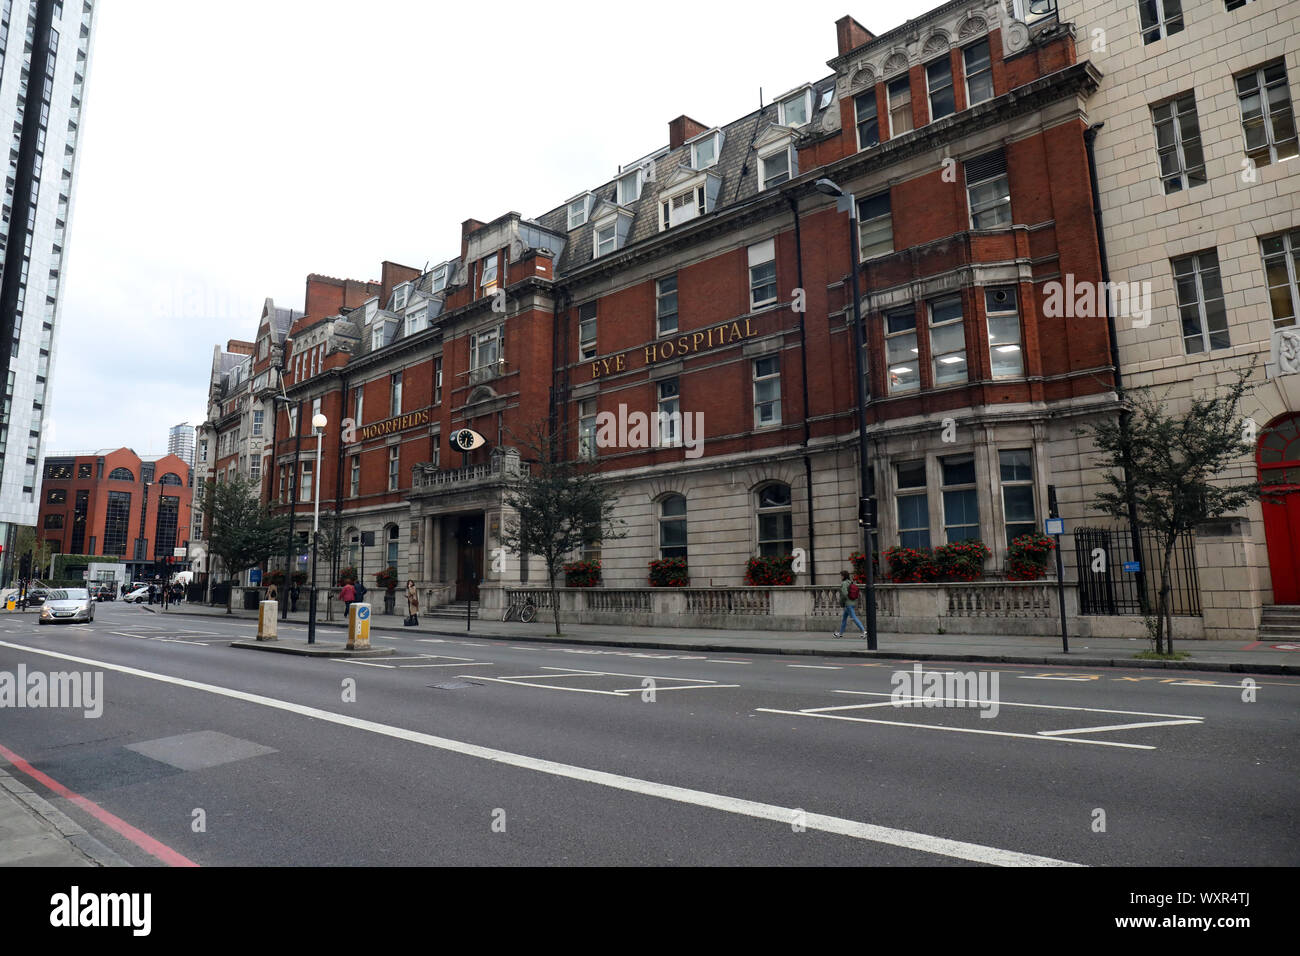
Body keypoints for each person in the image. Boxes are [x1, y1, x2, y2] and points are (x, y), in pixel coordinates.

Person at [832, 570, 867, 639]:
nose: (840, 577)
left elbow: (844, 594)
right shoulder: (850, 582)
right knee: (844, 619)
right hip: (852, 602)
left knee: (854, 618)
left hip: (848, 604)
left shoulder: (844, 583)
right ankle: (840, 633)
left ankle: (864, 631)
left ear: (843, 576)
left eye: (841, 575)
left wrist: (841, 602)